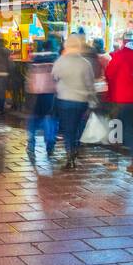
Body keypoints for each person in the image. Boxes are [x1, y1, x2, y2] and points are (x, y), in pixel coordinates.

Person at [104, 33, 133, 170]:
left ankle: (113, 161)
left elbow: (109, 74)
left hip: (119, 98)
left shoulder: (119, 56)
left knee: (115, 128)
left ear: (123, 42)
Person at [52, 34, 97, 168]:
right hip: (81, 100)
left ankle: (70, 153)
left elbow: (54, 76)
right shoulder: (85, 63)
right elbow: (90, 84)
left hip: (65, 99)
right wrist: (92, 100)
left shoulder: (60, 61)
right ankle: (75, 147)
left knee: (68, 128)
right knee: (78, 126)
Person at [25, 37, 59, 160]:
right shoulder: (55, 60)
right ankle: (49, 145)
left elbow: (29, 79)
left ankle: (31, 144)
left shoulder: (35, 60)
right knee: (49, 120)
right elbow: (57, 79)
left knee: (33, 121)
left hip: (35, 94)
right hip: (49, 94)